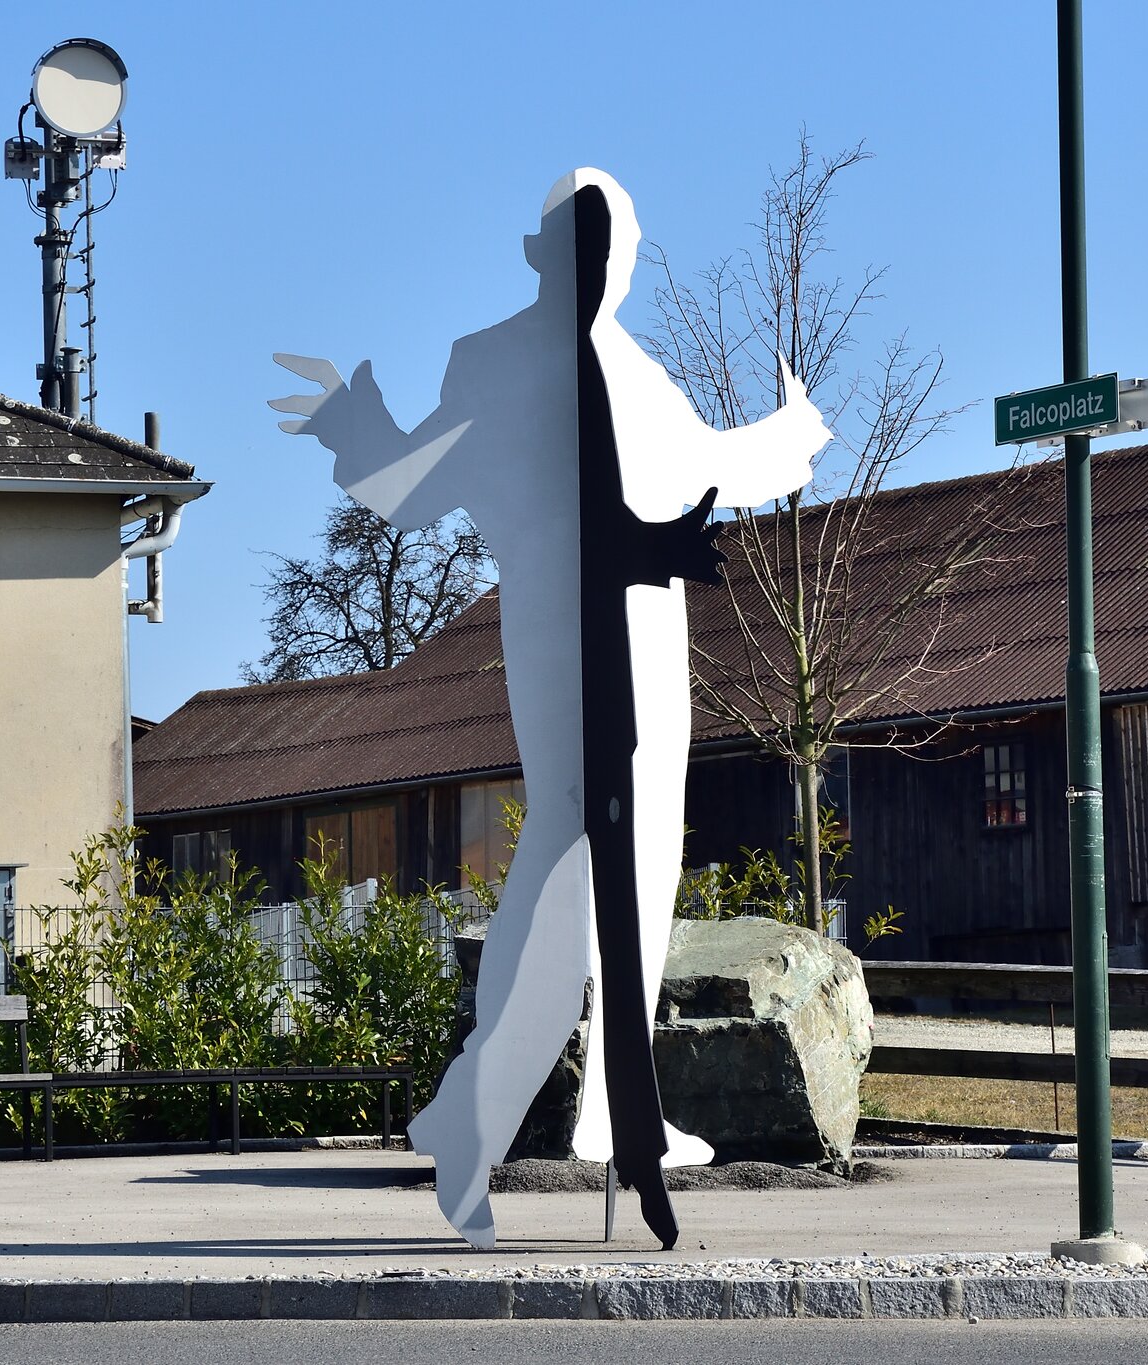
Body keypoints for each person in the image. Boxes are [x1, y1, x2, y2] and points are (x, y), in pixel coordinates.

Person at [271, 168, 829, 1249]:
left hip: (650, 646)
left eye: (613, 245)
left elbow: (706, 470)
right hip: (562, 636)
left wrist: (787, 431)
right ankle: (492, 1106)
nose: (601, 265)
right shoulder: (493, 358)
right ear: (549, 256)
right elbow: (416, 486)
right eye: (589, 245)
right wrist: (352, 420)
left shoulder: (635, 368)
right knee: (571, 857)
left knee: (645, 865)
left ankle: (607, 1112)